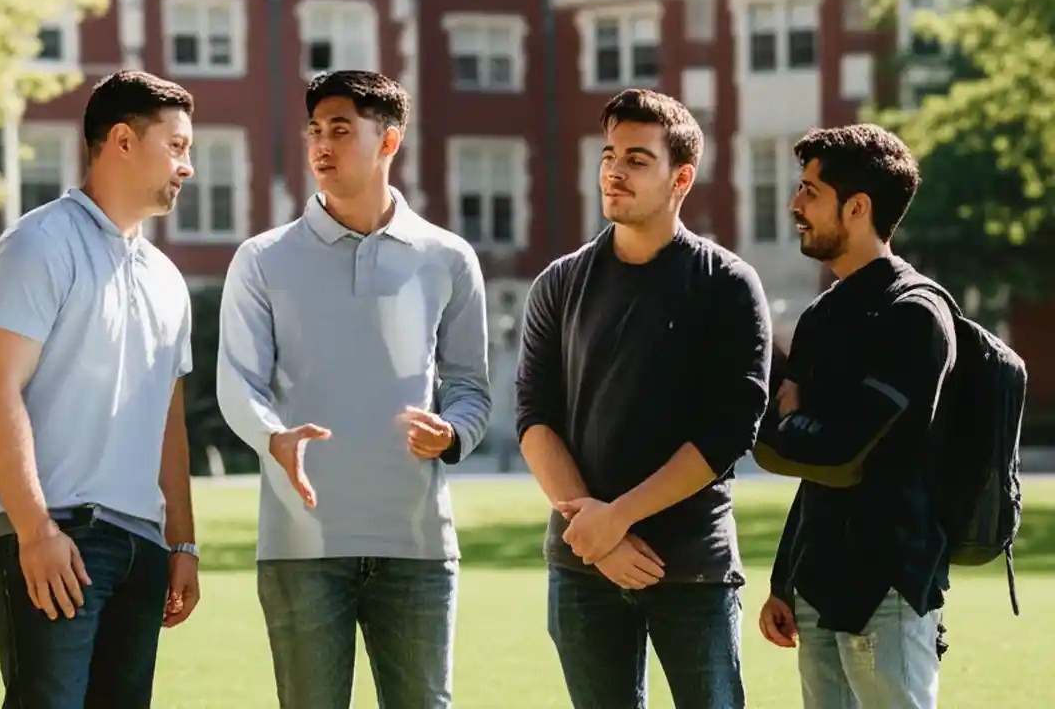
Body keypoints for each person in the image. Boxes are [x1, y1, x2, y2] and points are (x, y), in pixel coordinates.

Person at [216, 69, 491, 709]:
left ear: (389, 141)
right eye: (315, 130)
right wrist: (271, 435)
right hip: (300, 548)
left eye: (342, 129)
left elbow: (471, 388)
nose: (322, 145)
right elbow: (239, 381)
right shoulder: (262, 259)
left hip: (418, 548)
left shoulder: (447, 258)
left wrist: (454, 434)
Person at [515, 87, 772, 709]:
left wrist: (617, 517)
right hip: (583, 567)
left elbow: (729, 430)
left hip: (690, 566)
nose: (613, 171)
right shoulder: (559, 283)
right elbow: (535, 416)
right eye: (608, 155)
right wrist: (596, 534)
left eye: (636, 159)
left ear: (680, 177)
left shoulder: (728, 285)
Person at [0, 70, 201, 709]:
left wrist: (181, 541)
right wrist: (35, 531)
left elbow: (167, 416)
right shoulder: (36, 246)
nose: (189, 166)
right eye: (177, 146)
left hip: (142, 548)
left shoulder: (166, 278)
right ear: (123, 140)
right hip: (58, 536)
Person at [753, 124, 954, 709]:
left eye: (810, 191)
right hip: (817, 585)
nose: (795, 205)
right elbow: (816, 468)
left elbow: (840, 452)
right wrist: (784, 579)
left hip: (888, 586)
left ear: (858, 207)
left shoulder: (916, 315)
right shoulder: (822, 317)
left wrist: (785, 423)